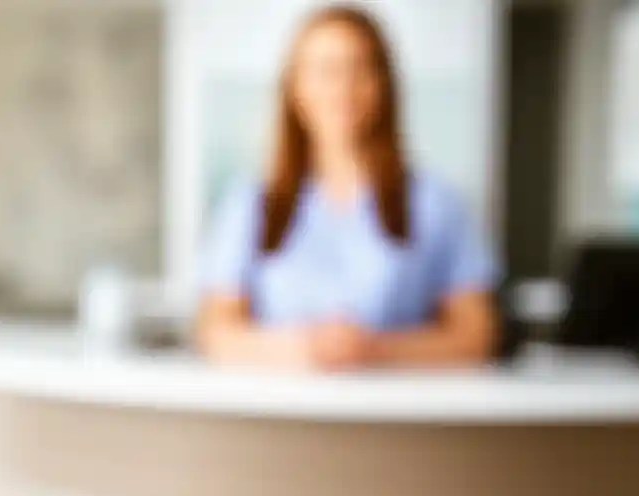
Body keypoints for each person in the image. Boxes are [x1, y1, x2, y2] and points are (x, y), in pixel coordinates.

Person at [197, 5, 499, 371]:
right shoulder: (250, 203)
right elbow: (216, 331)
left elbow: (476, 335)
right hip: (279, 419)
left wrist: (376, 350)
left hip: (397, 421)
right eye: (326, 71)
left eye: (360, 69)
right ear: (296, 87)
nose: (343, 87)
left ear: (384, 84)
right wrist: (305, 348)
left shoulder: (439, 204)